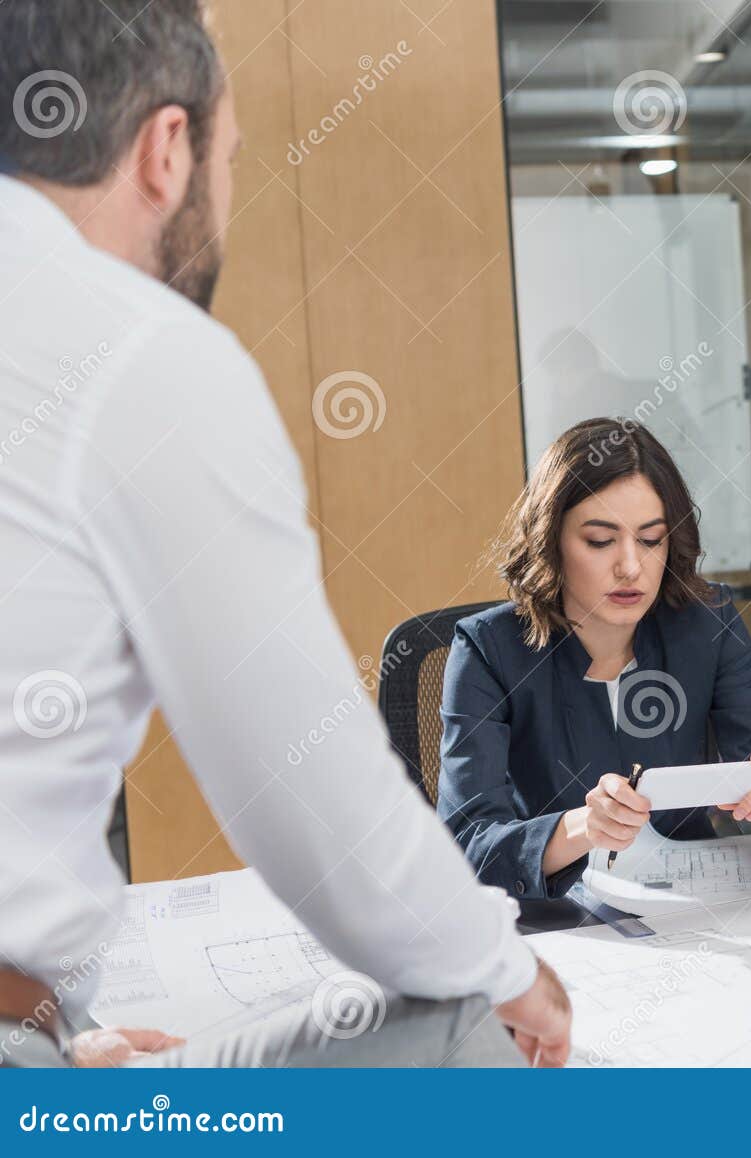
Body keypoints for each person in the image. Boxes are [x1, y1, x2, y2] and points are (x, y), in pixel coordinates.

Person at [0, 0, 569, 1068]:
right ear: (168, 150)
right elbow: (323, 820)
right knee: (472, 1026)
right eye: (232, 160)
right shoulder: (133, 347)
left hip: (39, 1037)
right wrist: (509, 972)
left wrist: (60, 1034)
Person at [437, 420, 751, 900]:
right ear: (550, 540)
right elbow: (468, 845)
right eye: (600, 541)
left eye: (651, 539)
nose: (631, 567)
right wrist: (584, 827)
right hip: (554, 914)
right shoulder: (488, 649)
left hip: (691, 903)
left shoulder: (709, 624)